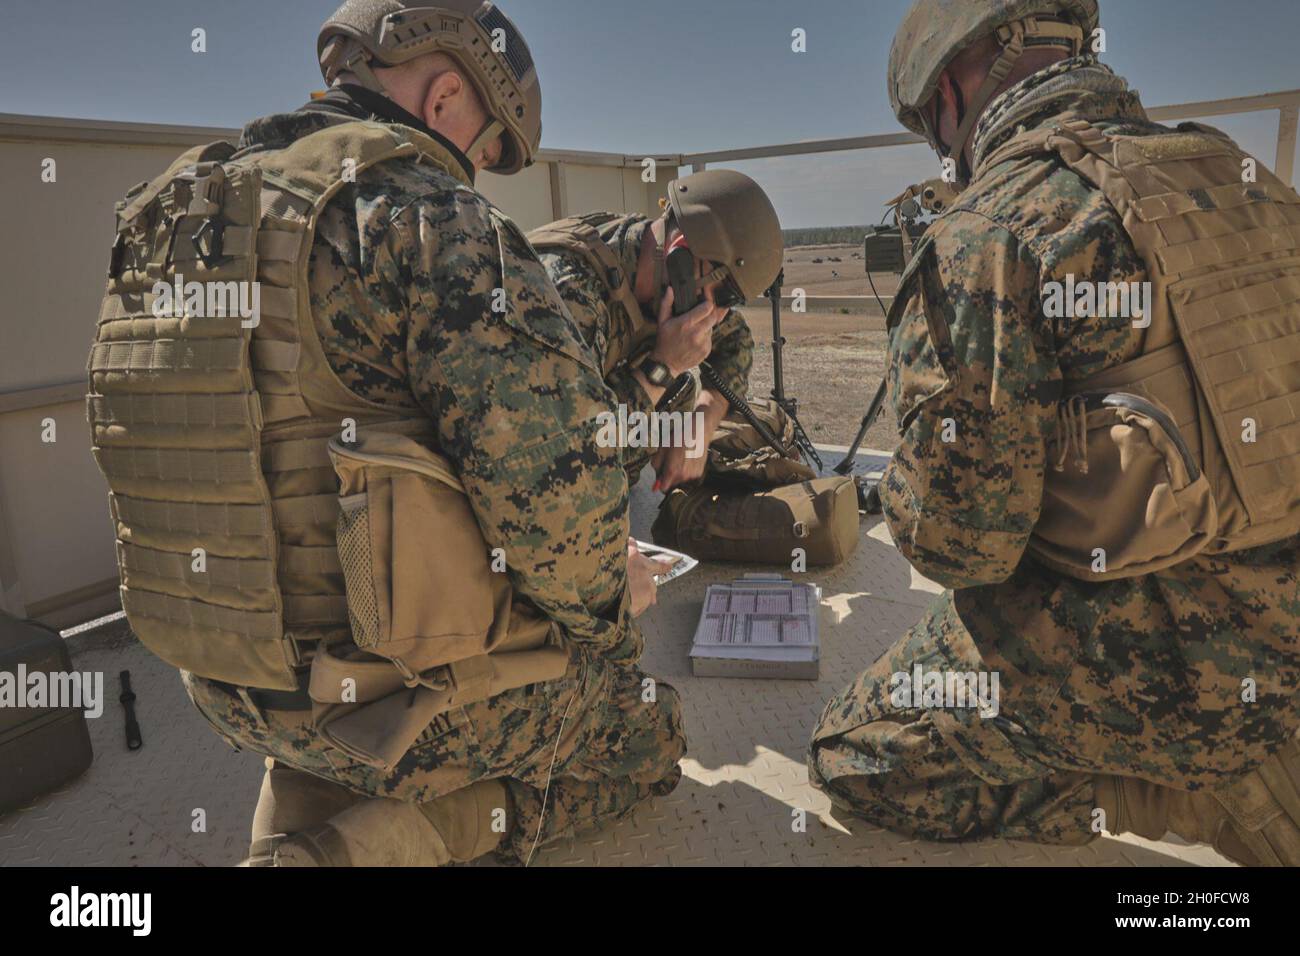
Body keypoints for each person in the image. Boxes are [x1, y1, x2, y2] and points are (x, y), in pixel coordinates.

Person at [87, 0, 686, 867]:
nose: (474, 174)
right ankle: (377, 844)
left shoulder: (164, 219)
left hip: (214, 679)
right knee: (644, 727)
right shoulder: (428, 216)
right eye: (484, 152)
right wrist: (612, 601)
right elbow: (557, 511)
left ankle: (305, 797)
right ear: (446, 96)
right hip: (369, 695)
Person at [808, 0, 1300, 865]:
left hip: (1174, 652)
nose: (942, 147)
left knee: (857, 752)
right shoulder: (1247, 178)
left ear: (954, 83)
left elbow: (965, 552)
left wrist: (904, 489)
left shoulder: (992, 230)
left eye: (932, 124)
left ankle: (1176, 778)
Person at [528, 170, 783, 491]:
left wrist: (702, 424)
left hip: (592, 456)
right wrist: (663, 367)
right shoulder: (570, 295)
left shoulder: (677, 285)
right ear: (680, 254)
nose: (718, 317)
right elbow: (562, 453)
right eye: (724, 296)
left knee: (682, 395)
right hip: (541, 474)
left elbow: (736, 340)